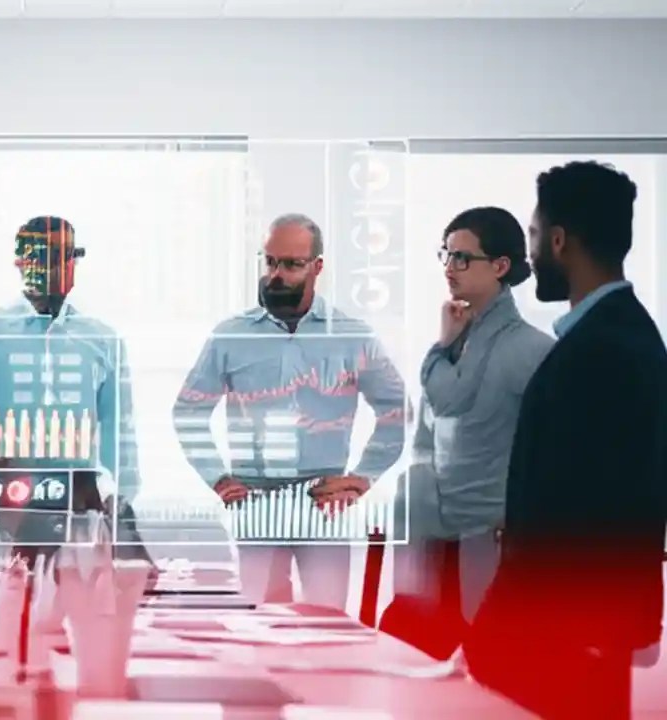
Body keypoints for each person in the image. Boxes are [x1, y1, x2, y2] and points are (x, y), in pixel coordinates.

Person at [464, 162, 667, 719]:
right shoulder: (620, 335)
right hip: (578, 629)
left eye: (532, 236)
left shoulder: (604, 349)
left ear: (558, 240)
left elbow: (579, 510)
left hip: (570, 633)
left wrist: (497, 630)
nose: (530, 254)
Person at [172, 213, 406, 610]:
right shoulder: (230, 336)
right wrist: (218, 476)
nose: (276, 275)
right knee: (258, 621)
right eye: (270, 262)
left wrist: (362, 479)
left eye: (292, 264)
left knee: (327, 622)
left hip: (324, 505)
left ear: (317, 267)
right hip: (255, 501)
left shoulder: (352, 335)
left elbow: (396, 410)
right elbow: (188, 411)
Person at [381, 207, 552, 659]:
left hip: (495, 543)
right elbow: (424, 442)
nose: (449, 268)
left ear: (499, 267)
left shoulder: (535, 351)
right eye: (446, 255)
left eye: (462, 258)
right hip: (433, 542)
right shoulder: (449, 350)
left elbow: (557, 454)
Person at [0, 216, 146, 560]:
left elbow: (119, 430)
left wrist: (118, 497)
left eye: (67, 256)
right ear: (22, 264)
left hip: (78, 509)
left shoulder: (103, 340)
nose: (60, 267)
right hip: (3, 507)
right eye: (46, 257)